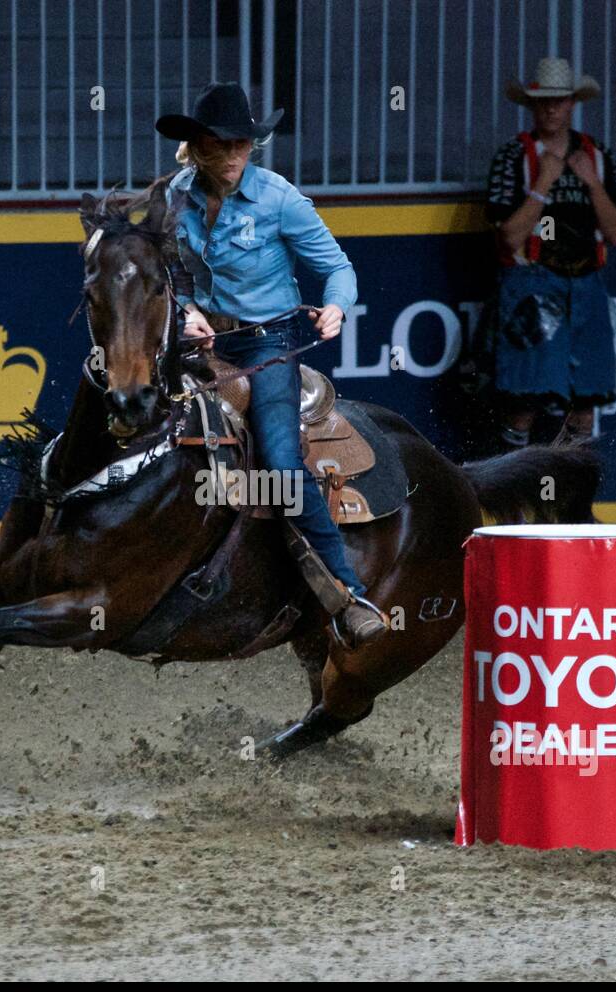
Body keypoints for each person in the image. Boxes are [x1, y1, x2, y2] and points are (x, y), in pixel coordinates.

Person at [155, 81, 388, 648]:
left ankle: (347, 591)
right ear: (197, 146)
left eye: (243, 144)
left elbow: (337, 267)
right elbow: (168, 275)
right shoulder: (172, 200)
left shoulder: (279, 197)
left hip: (268, 345)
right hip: (198, 346)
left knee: (282, 460)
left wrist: (336, 306)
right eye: (222, 144)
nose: (234, 155)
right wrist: (185, 312)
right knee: (137, 418)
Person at [485, 57, 616, 448]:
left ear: (571, 103)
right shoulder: (514, 157)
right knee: (527, 399)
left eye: (559, 100)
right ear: (532, 106)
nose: (551, 108)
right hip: (532, 284)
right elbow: (509, 239)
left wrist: (593, 185)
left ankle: (571, 504)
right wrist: (542, 184)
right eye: (543, 101)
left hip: (585, 283)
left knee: (585, 403)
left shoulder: (596, 156)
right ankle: (514, 502)